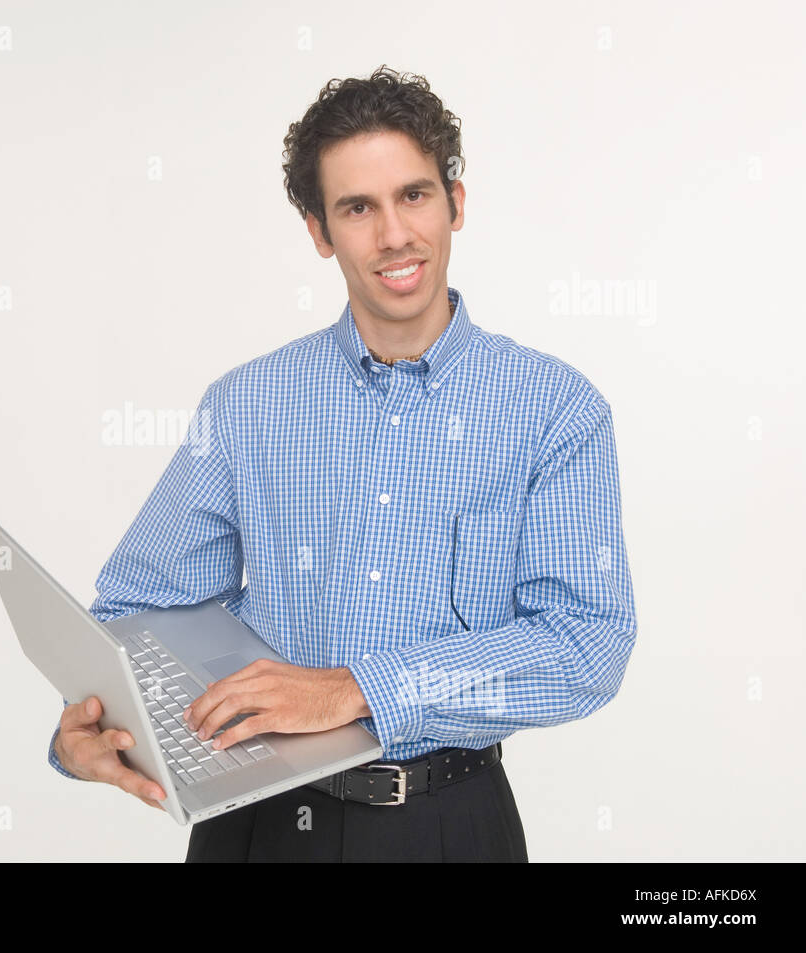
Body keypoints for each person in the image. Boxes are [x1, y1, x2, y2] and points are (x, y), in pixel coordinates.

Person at [47, 66, 637, 862]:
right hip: (255, 823)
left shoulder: (555, 409)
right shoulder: (247, 402)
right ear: (320, 230)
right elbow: (140, 607)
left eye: (414, 196)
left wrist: (356, 687)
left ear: (456, 204)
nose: (394, 235)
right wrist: (94, 724)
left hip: (449, 825)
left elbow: (585, 646)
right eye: (358, 208)